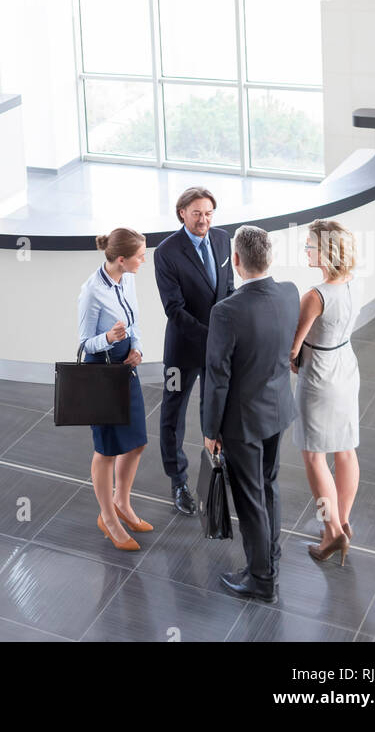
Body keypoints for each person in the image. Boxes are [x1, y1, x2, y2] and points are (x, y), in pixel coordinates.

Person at [202, 224, 299, 604]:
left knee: (250, 497)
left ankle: (261, 579)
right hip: (277, 410)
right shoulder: (290, 293)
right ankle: (269, 557)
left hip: (242, 422)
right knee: (269, 485)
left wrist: (210, 428)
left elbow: (217, 377)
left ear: (237, 262)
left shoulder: (226, 312)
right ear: (269, 257)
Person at [154, 186, 233, 514]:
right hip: (183, 349)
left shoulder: (223, 239)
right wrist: (211, 336)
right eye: (198, 213)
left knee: (214, 408)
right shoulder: (166, 252)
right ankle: (178, 481)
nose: (205, 220)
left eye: (209, 213)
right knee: (173, 413)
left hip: (218, 346)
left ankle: (216, 466)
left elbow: (228, 288)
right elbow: (174, 309)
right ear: (182, 213)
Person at [291, 219, 363, 567]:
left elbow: (294, 347)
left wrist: (291, 359)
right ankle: (342, 521)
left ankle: (330, 530)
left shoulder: (314, 296)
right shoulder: (353, 283)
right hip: (346, 367)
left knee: (313, 457)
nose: (306, 250)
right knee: (345, 450)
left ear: (325, 250)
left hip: (319, 376)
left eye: (309, 245)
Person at [78, 228, 152, 552]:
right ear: (122, 259)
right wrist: (108, 338)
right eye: (140, 255)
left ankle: (121, 502)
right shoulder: (91, 292)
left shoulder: (129, 279)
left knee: (136, 442)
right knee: (106, 449)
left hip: (126, 367)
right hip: (102, 372)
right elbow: (84, 343)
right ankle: (107, 517)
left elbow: (134, 323)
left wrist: (136, 346)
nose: (144, 259)